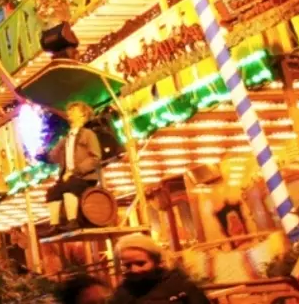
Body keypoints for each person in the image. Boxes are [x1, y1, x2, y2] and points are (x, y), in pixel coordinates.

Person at [45, 102, 104, 230]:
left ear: (83, 115)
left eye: (74, 110)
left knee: (69, 185)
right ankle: (54, 225)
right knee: (52, 192)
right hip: (69, 176)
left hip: (85, 177)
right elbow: (53, 157)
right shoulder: (66, 138)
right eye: (70, 110)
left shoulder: (88, 134)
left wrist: (75, 171)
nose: (70, 112)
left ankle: (73, 220)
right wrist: (46, 153)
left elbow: (95, 157)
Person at [110, 234, 210, 303]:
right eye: (127, 266)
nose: (134, 269)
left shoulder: (180, 285)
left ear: (157, 262)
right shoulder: (122, 294)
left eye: (141, 263)